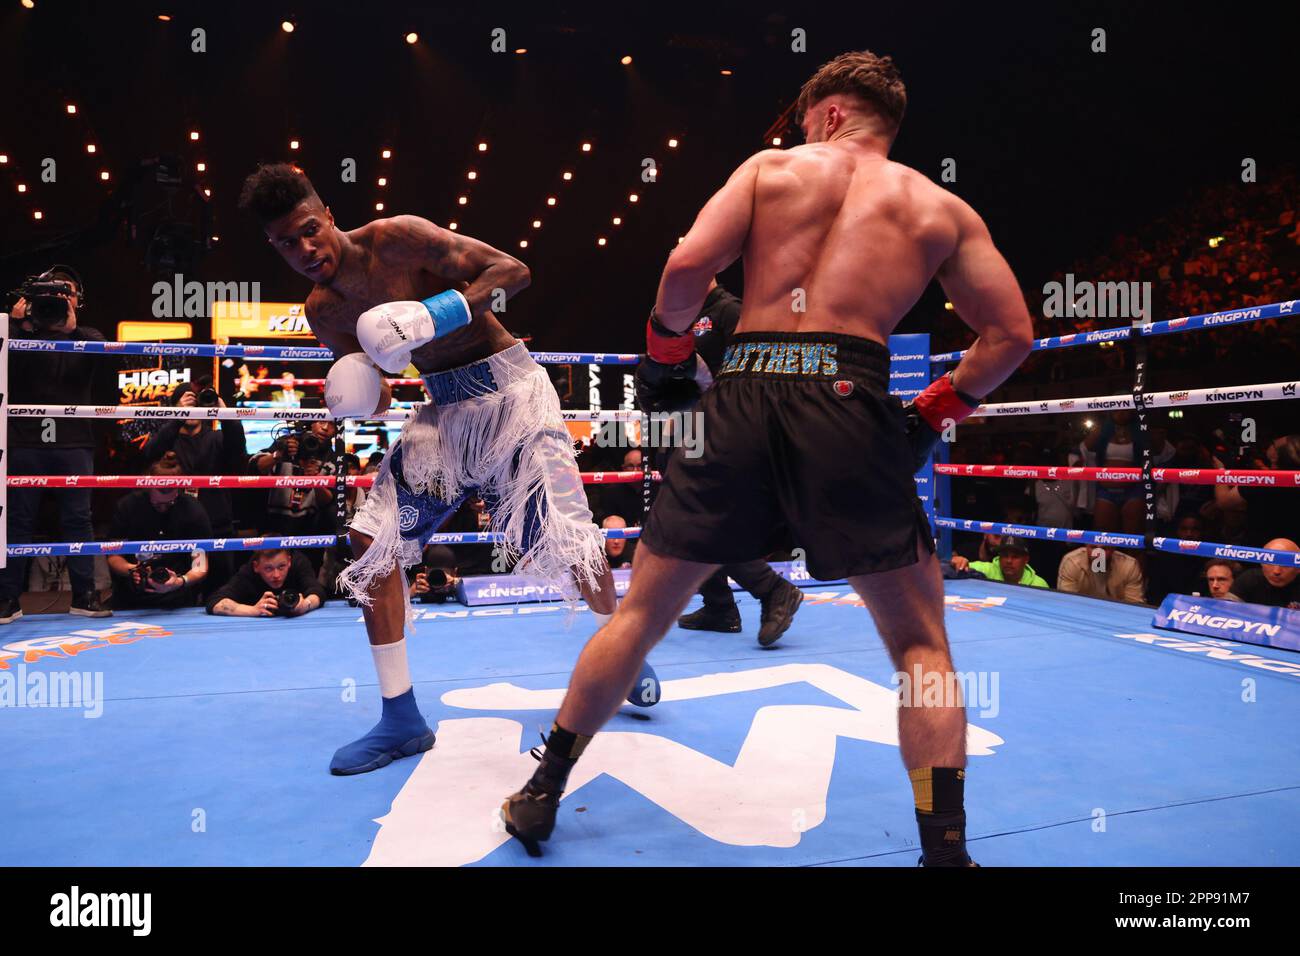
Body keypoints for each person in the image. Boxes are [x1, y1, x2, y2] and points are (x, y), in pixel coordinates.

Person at [501, 50, 1034, 864]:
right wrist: (935, 408)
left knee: (643, 613)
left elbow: (686, 269)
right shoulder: (939, 207)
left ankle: (543, 791)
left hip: (745, 390)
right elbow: (1012, 336)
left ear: (824, 114)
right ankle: (945, 847)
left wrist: (669, 348)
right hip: (851, 399)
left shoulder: (768, 171)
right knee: (922, 645)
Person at [238, 162, 653, 777]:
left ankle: (621, 659)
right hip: (443, 407)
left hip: (512, 392)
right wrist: (356, 394)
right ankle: (401, 718)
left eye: (306, 230)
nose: (303, 250)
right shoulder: (324, 310)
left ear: (326, 213)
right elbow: (378, 392)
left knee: (567, 538)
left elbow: (514, 272)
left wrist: (438, 311)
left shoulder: (398, 239)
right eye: (284, 244)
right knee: (371, 542)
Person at [637, 278, 806, 647]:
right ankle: (719, 606)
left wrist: (708, 383)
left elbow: (756, 369)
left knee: (698, 517)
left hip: (719, 426)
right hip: (682, 426)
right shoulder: (677, 314)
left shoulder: (729, 310)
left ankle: (772, 589)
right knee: (689, 518)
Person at [0, 265, 112, 624]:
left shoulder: (88, 334)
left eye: (66, 296)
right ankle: (6, 599)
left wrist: (70, 327)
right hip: (24, 440)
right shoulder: (17, 335)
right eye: (51, 297)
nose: (57, 303)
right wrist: (18, 325)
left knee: (78, 519)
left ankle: (85, 595)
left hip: (73, 442)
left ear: (77, 300)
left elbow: (102, 354)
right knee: (17, 520)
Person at [105, 454, 212, 611]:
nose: (163, 507)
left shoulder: (193, 510)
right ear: (148, 486)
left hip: (178, 599)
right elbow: (113, 555)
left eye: (169, 503)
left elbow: (200, 564)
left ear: (177, 490)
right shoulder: (127, 506)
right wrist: (133, 570)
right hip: (131, 597)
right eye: (157, 503)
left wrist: (181, 581)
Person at [206, 548, 328, 617]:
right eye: (268, 568)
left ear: (289, 561)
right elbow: (214, 602)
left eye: (281, 567)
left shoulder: (298, 563)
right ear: (256, 566)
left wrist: (306, 604)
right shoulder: (248, 573)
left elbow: (317, 591)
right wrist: (253, 610)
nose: (276, 575)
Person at [1056, 545, 1146, 604]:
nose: (1098, 554)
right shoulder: (1072, 562)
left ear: (1113, 549)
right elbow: (1066, 602)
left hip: (1117, 616)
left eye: (1104, 549)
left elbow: (1134, 605)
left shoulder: (1129, 565)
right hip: (1080, 613)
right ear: (1086, 546)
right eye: (1094, 547)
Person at [948, 537, 1048, 588]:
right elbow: (956, 566)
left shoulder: (1038, 584)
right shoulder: (987, 570)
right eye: (1004, 555)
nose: (1009, 561)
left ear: (1026, 559)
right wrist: (956, 561)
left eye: (1015, 557)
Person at [1229, 538, 1300, 608]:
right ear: (1261, 563)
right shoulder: (1249, 579)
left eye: (1285, 565)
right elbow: (1227, 610)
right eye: (1270, 563)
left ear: (1298, 568)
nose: (1276, 571)